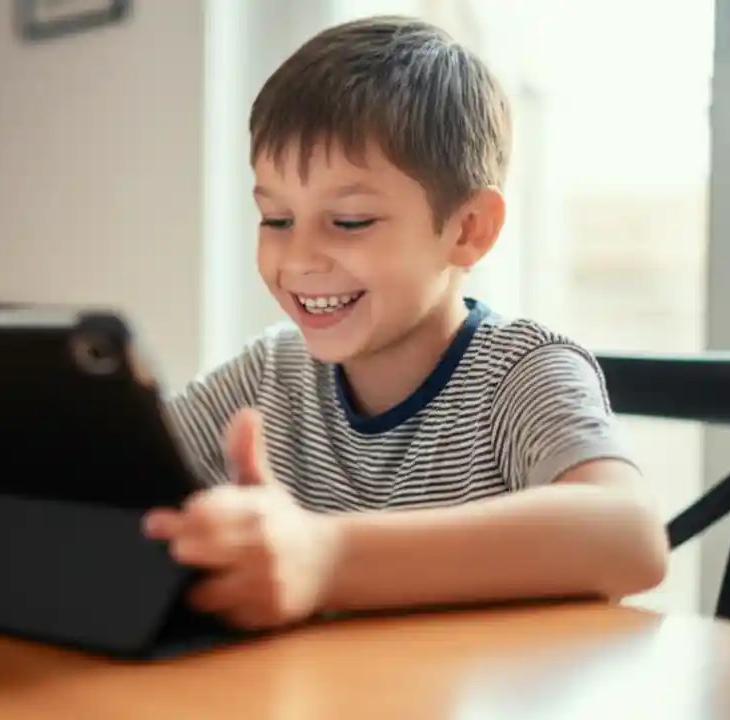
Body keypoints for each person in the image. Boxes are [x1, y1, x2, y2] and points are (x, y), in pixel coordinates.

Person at [141, 16, 668, 631]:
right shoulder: (270, 376)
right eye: (276, 220)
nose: (298, 258)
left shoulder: (521, 373)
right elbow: (114, 480)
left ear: (468, 230)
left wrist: (328, 557)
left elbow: (632, 538)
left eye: (351, 220)